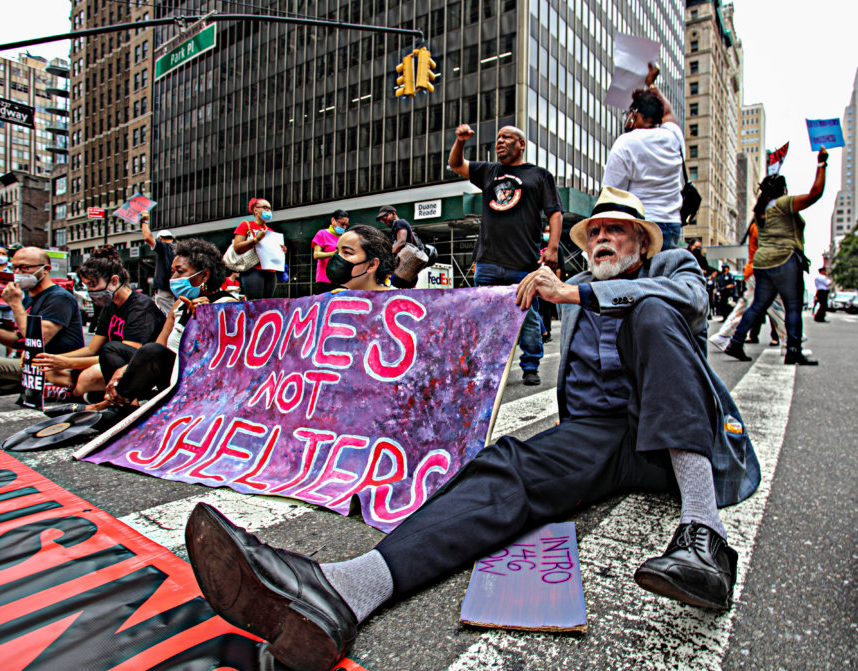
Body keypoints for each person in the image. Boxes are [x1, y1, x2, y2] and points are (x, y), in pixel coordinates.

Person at [184, 187, 759, 671]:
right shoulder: (576, 296)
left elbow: (687, 300)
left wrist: (575, 291)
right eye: (597, 231)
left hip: (676, 433)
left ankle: (703, 539)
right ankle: (345, 590)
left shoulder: (667, 269)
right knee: (508, 464)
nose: (604, 238)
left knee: (655, 314)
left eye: (618, 230)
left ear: (642, 241)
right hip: (605, 437)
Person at [448, 123, 564, 385]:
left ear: (521, 144)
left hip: (523, 263)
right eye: (498, 138)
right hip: (487, 262)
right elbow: (456, 164)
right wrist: (460, 141)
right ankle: (488, 367)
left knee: (528, 317)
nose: (499, 141)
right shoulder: (489, 171)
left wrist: (554, 247)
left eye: (507, 138)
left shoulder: (539, 175)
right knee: (486, 318)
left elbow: (555, 212)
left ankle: (530, 366)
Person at [723, 147, 828, 365]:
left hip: (763, 264)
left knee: (758, 305)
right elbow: (815, 194)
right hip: (784, 260)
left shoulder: (760, 210)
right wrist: (821, 164)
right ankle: (793, 350)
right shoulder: (783, 204)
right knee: (792, 306)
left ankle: (735, 342)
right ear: (783, 189)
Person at [102, 239, 238, 406]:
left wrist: (207, 315)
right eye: (172, 272)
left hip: (196, 379)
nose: (173, 278)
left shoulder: (227, 305)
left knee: (152, 351)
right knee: (111, 349)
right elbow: (161, 344)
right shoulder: (179, 305)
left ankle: (120, 401)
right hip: (168, 371)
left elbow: (221, 354)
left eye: (180, 272)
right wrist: (125, 370)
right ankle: (126, 402)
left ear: (204, 275)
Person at [33, 245, 164, 398]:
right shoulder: (110, 307)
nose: (90, 291)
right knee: (52, 372)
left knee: (88, 376)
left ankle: (76, 393)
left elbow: (127, 356)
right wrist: (54, 360)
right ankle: (82, 392)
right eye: (87, 285)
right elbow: (91, 349)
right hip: (108, 362)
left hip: (136, 366)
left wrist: (66, 363)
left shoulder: (140, 307)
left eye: (92, 284)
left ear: (114, 280)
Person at [0, 247, 84, 398]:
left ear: (45, 269)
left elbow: (37, 339)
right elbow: (19, 340)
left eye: (25, 267)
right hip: (31, 364)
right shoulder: (30, 298)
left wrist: (15, 304)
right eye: (14, 267)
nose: (18, 273)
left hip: (53, 367)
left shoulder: (58, 298)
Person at [603, 63, 684, 251]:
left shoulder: (626, 143)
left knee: (641, 280)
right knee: (664, 277)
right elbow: (669, 112)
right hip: (672, 224)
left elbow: (611, 197)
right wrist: (652, 85)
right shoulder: (673, 136)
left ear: (635, 114)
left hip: (642, 226)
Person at [709, 219, 787, 354]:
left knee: (761, 306)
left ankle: (790, 340)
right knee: (772, 306)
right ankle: (791, 341)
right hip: (761, 271)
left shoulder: (761, 222)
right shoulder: (763, 224)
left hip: (758, 271)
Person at [232, 198, 285, 300]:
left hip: (270, 271)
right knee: (255, 303)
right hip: (253, 270)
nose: (268, 211)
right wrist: (256, 240)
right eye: (265, 207)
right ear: (255, 210)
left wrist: (282, 250)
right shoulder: (245, 225)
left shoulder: (270, 231)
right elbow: (237, 247)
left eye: (270, 208)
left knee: (267, 304)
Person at [325, 224, 394, 292]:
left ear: (372, 264)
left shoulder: (398, 300)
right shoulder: (341, 298)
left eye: (346, 252)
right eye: (337, 252)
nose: (337, 257)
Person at [140, 212, 175, 314]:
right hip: (176, 289)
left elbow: (147, 238)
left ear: (160, 239)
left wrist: (144, 221)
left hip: (164, 289)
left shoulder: (163, 246)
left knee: (167, 318)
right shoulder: (178, 248)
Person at [311, 209, 349, 294]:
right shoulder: (322, 234)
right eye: (342, 224)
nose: (344, 227)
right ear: (333, 220)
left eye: (346, 225)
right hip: (325, 279)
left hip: (342, 279)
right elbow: (316, 254)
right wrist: (333, 253)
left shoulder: (346, 237)